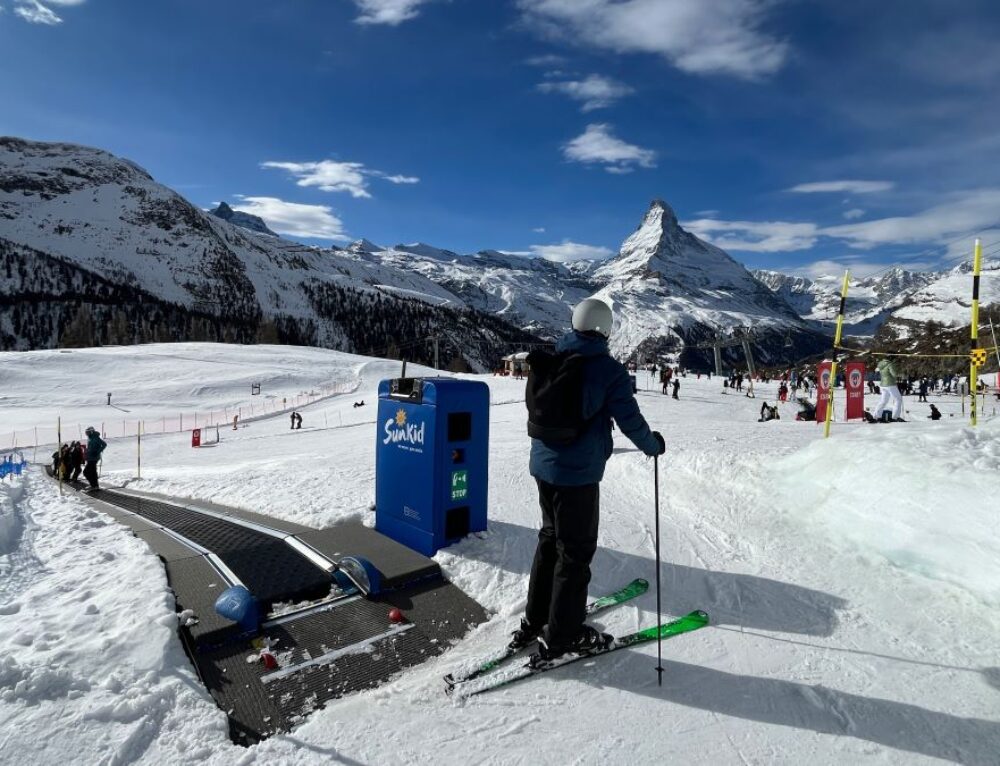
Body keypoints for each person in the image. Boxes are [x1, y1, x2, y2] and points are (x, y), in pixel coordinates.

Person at [517, 298, 665, 663]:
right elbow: (630, 421)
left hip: (543, 467)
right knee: (575, 552)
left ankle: (536, 618)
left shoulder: (554, 359)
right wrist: (652, 446)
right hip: (577, 476)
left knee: (550, 540)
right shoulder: (607, 370)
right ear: (605, 330)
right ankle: (563, 636)